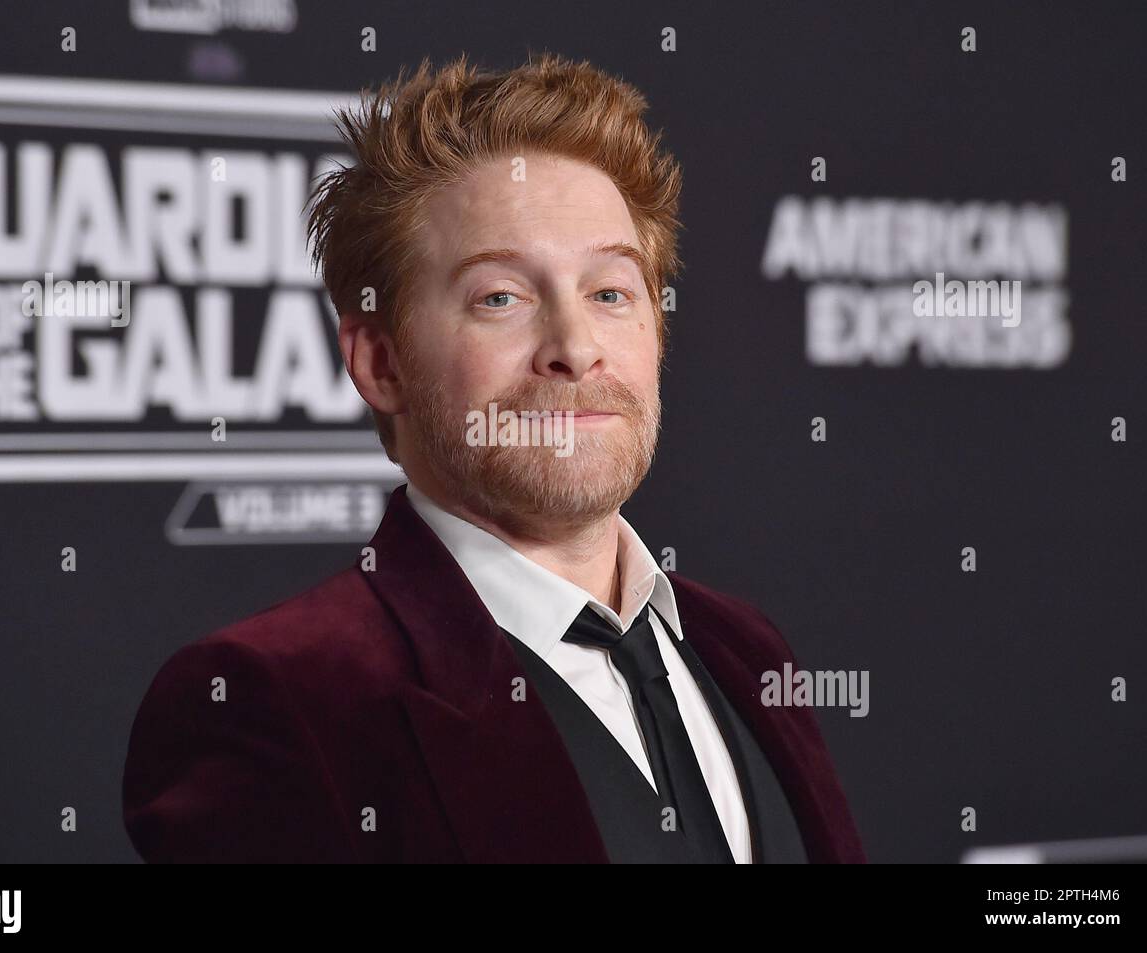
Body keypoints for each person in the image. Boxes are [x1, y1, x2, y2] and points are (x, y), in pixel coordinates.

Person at [122, 51, 866, 863]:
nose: (576, 349)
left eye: (610, 292)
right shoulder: (277, 700)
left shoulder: (746, 650)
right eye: (500, 298)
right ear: (381, 362)